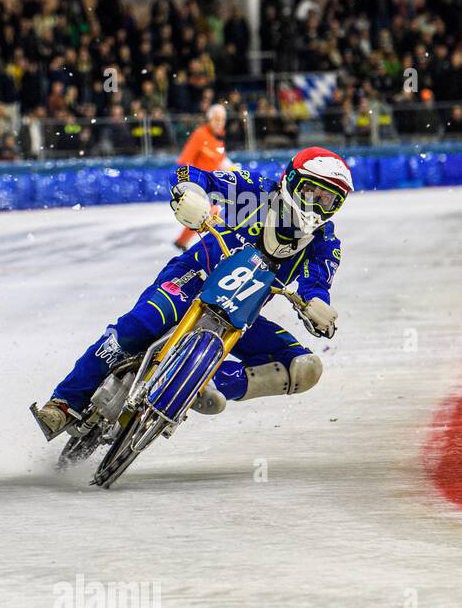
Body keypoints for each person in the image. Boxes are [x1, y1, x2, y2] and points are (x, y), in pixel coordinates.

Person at [32, 147, 352, 439]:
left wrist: (317, 304)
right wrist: (191, 194)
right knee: (137, 326)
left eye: (328, 200)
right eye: (312, 192)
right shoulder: (256, 191)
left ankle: (206, 382)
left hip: (241, 314)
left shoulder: (324, 244)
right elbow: (189, 172)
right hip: (192, 279)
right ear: (290, 180)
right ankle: (64, 403)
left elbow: (316, 283)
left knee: (305, 368)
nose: (316, 205)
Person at [174, 104, 233, 250]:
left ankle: (186, 242)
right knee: (204, 215)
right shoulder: (200, 135)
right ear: (209, 119)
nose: (219, 122)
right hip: (198, 183)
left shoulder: (219, 137)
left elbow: (221, 159)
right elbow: (184, 160)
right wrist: (186, 184)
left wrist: (233, 170)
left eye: (222, 119)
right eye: (216, 119)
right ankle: (189, 243)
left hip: (211, 184)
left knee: (210, 215)